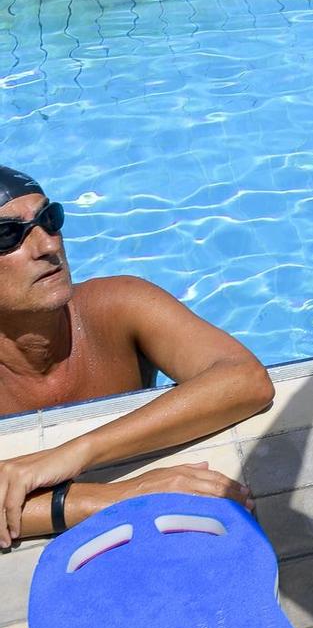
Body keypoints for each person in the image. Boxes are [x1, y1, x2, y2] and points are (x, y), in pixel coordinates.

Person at [0, 166, 271, 549]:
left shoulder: (118, 306)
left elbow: (246, 379)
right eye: (8, 235)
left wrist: (74, 454)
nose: (47, 246)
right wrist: (124, 496)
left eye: (49, 219)